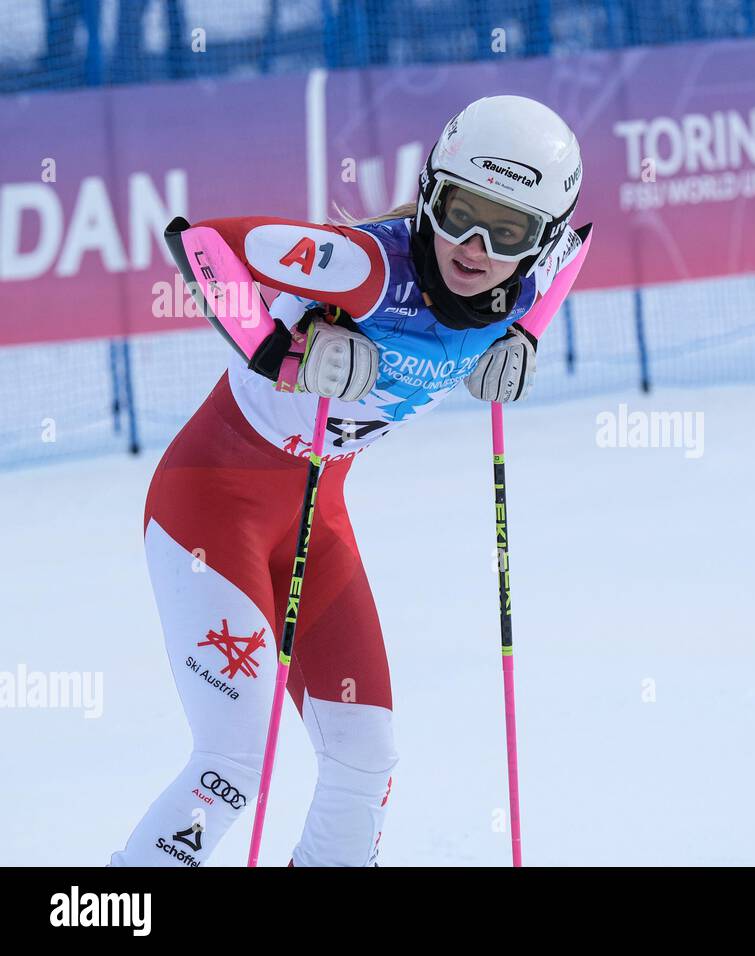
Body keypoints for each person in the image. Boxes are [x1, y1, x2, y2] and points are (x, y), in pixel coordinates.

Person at [110, 95, 587, 867]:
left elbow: (578, 252)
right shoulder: (361, 267)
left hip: (315, 518)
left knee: (364, 755)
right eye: (461, 211)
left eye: (508, 231)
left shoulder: (524, 287)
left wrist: (526, 337)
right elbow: (200, 243)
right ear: (430, 191)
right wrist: (280, 354)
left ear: (539, 240)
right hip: (209, 507)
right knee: (233, 765)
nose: (474, 245)